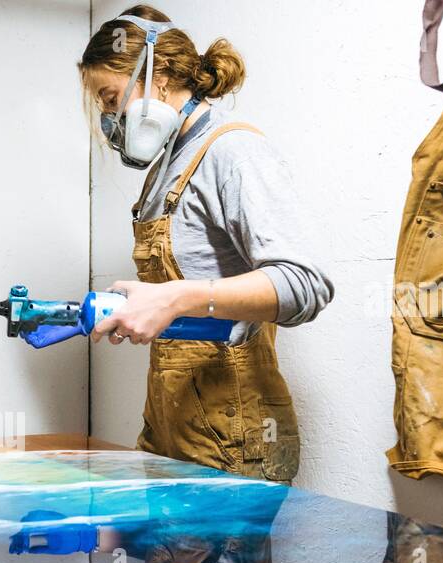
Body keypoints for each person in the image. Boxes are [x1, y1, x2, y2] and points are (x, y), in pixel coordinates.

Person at [79, 5, 333, 482]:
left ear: (159, 76)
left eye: (111, 99)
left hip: (232, 433)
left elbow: (305, 287)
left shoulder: (233, 151)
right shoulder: (166, 167)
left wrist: (175, 297)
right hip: (171, 423)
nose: (110, 119)